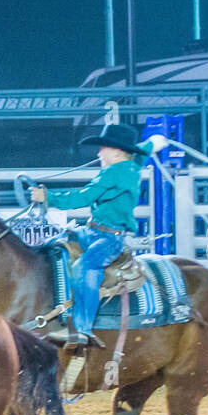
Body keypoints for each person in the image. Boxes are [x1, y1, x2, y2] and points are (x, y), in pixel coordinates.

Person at [31, 123, 168, 347]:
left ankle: (82, 329)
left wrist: (48, 198)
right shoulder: (132, 164)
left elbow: (82, 198)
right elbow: (143, 150)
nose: (98, 153)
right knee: (57, 246)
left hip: (108, 239)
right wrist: (153, 143)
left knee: (85, 266)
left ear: (116, 152)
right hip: (93, 231)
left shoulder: (115, 173)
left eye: (103, 148)